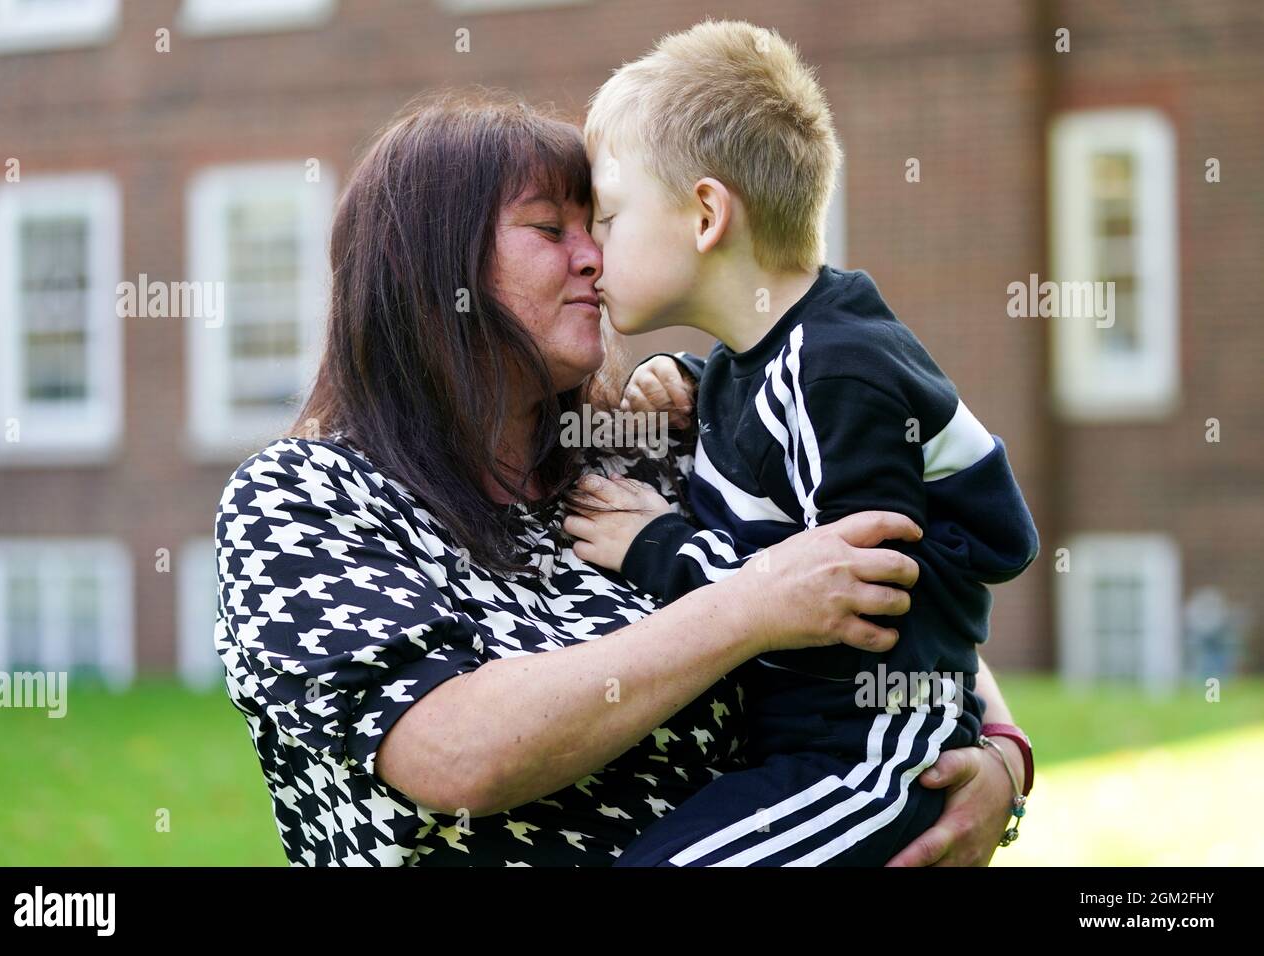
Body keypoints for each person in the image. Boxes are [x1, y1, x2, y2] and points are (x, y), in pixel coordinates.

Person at [214, 89, 1030, 866]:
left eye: (599, 221)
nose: (594, 257)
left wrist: (1000, 756)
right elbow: (453, 753)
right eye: (549, 229)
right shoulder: (302, 499)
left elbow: (869, 583)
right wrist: (748, 606)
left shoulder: (653, 445)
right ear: (432, 275)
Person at [564, 20, 1038, 865]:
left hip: (874, 756)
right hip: (804, 747)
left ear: (706, 214)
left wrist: (654, 546)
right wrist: (691, 380)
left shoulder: (838, 376)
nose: (592, 255)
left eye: (607, 217)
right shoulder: (782, 356)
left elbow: (853, 601)